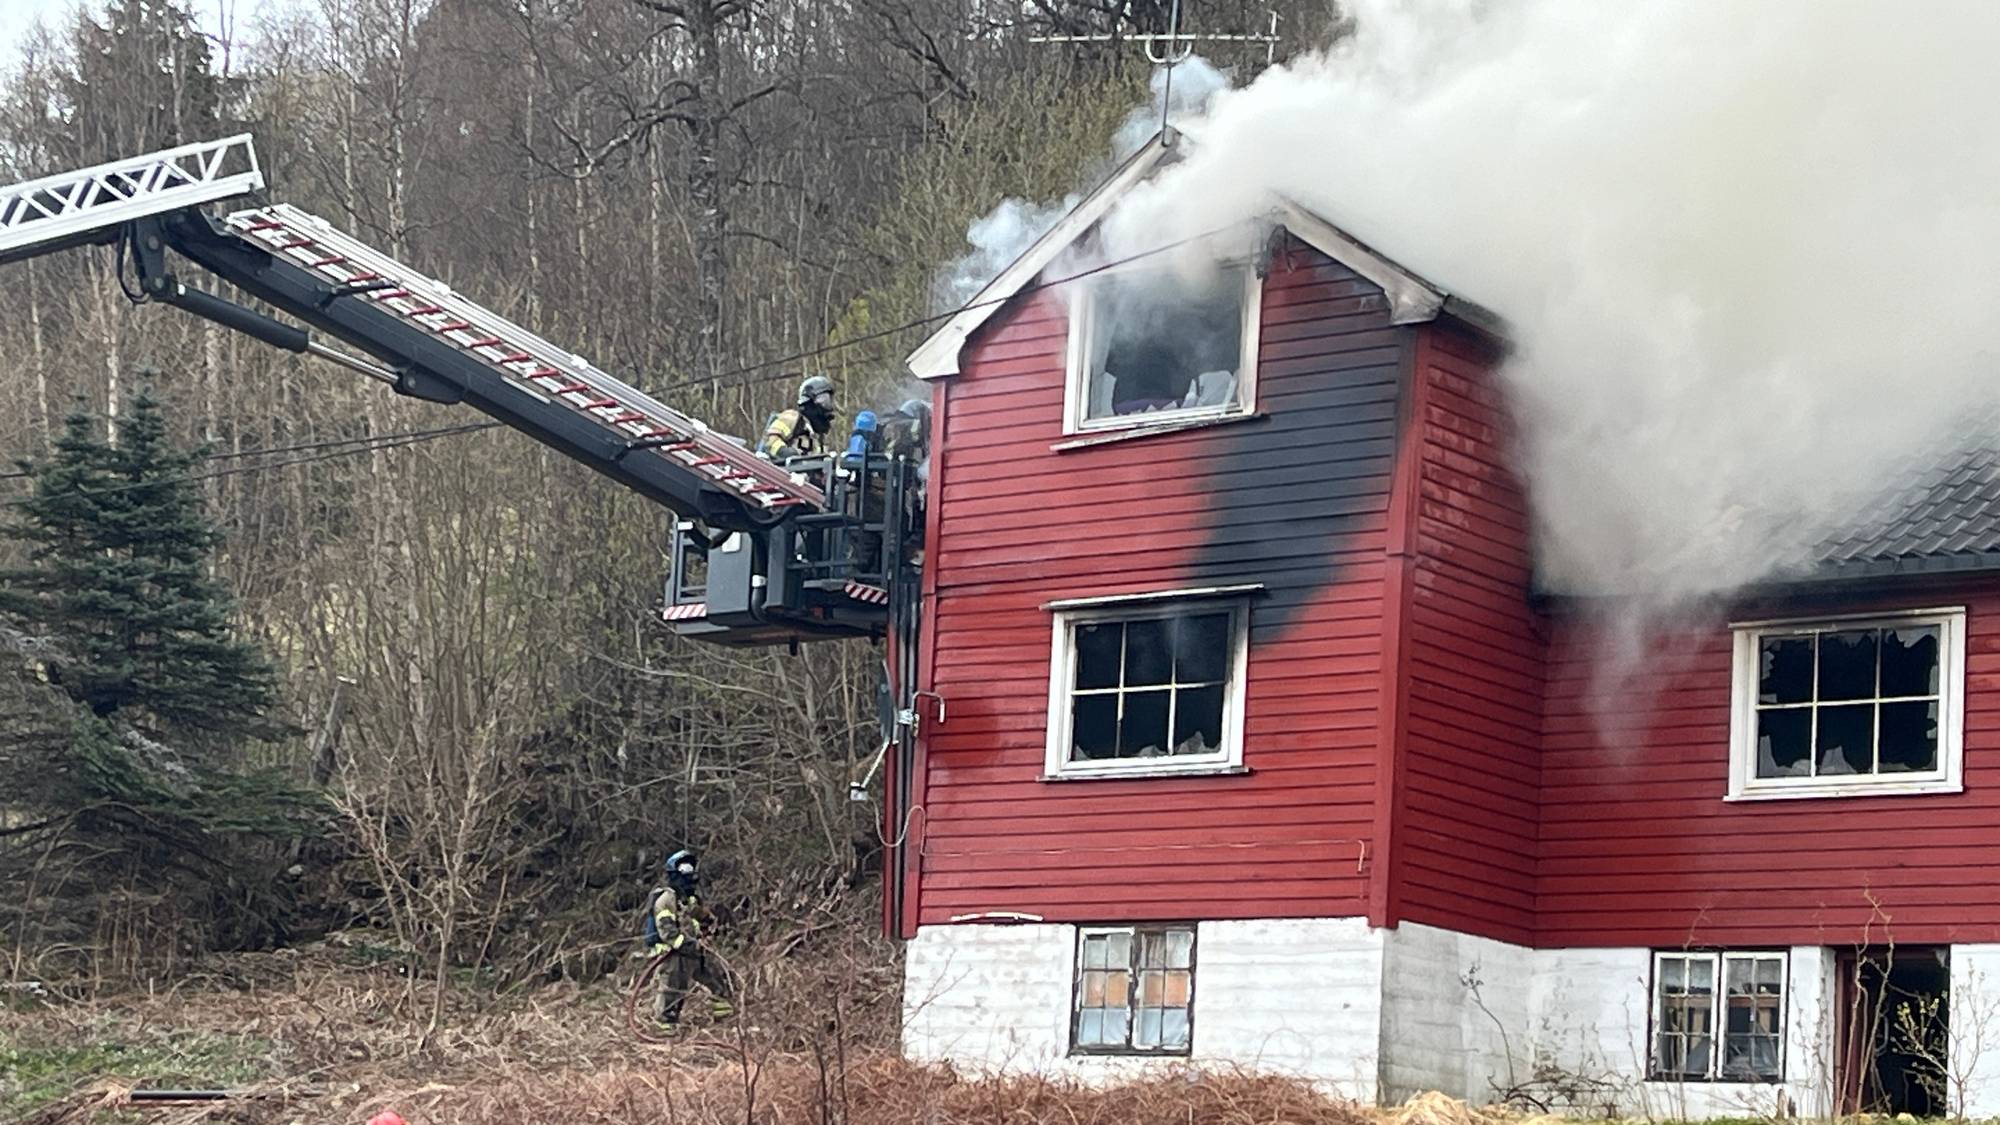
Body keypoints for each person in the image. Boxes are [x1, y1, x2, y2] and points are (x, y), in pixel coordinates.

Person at [641, 848, 734, 1032]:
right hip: (672, 953)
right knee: (674, 988)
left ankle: (724, 1014)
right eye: (684, 870)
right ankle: (664, 1025)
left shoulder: (687, 898)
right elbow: (667, 932)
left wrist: (711, 924)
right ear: (674, 874)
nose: (689, 874)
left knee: (717, 975)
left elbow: (698, 915)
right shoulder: (666, 899)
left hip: (692, 949)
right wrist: (687, 943)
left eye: (691, 869)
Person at [757, 374, 838, 461]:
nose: (827, 404)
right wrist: (786, 453)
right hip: (782, 472)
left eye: (828, 399)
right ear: (809, 400)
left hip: (804, 473)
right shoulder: (791, 417)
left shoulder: (816, 435)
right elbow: (770, 441)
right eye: (823, 399)